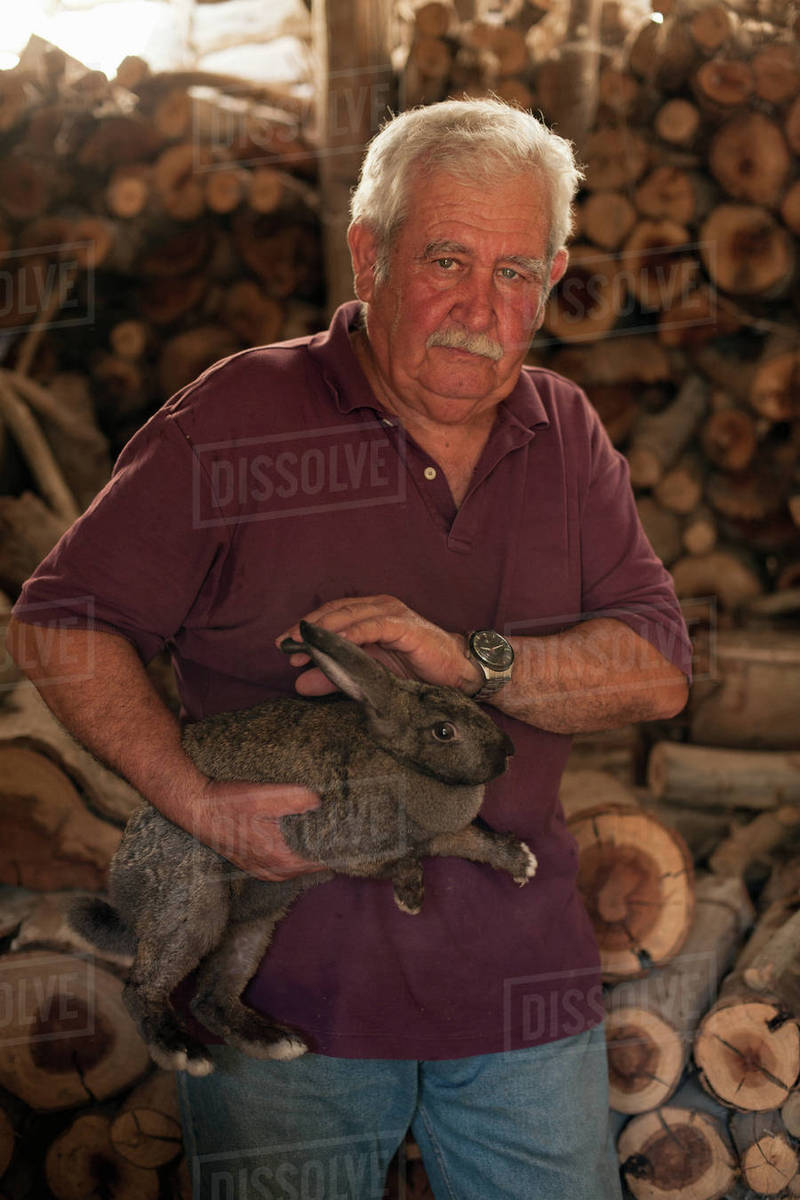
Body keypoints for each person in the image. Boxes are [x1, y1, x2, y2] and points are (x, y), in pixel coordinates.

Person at [7, 98, 691, 1200]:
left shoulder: (562, 430)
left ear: (555, 277)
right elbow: (60, 621)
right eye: (446, 260)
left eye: (516, 273)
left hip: (520, 994)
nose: (479, 307)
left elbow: (655, 670)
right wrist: (193, 799)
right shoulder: (238, 417)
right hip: (285, 991)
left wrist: (474, 662)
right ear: (366, 252)